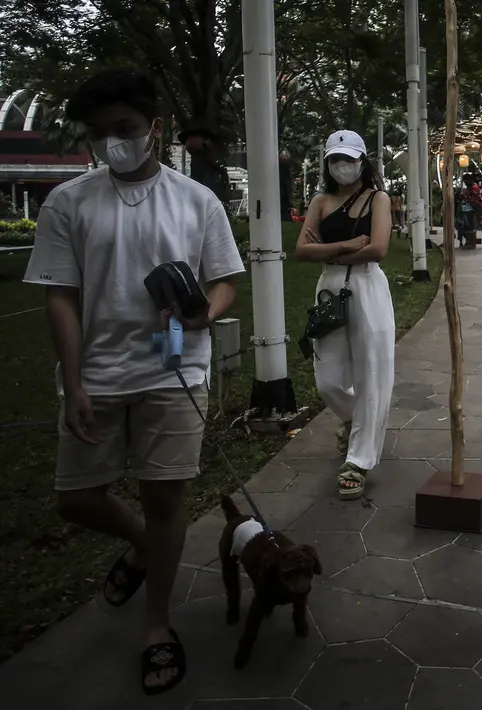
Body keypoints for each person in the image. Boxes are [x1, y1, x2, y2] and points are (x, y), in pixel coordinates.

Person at [22, 68, 245, 694]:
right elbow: (60, 298)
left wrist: (206, 311)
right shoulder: (69, 202)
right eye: (99, 134)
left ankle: (155, 624)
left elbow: (225, 278)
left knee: (166, 497)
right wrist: (74, 381)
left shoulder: (196, 200)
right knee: (76, 496)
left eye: (123, 129)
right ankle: (150, 548)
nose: (112, 143)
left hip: (175, 371)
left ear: (155, 127)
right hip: (97, 372)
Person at [295, 129, 395, 501]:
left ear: (362, 161)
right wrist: (348, 245)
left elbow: (379, 249)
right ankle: (358, 423)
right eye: (336, 159)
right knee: (328, 380)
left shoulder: (377, 198)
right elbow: (302, 250)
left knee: (372, 373)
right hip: (329, 290)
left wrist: (329, 251)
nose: (343, 166)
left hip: (367, 288)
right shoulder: (320, 201)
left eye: (350, 159)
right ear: (327, 162)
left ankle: (358, 460)